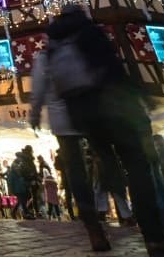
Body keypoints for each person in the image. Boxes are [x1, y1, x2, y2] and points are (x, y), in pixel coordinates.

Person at [46, 5, 164, 257]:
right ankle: (154, 237)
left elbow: (57, 87)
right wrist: (140, 95)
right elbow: (113, 68)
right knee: (139, 169)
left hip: (86, 118)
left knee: (107, 168)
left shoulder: (53, 45)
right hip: (114, 110)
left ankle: (103, 215)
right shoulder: (89, 32)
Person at [31, 49, 109, 249]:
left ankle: (93, 227)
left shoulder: (45, 56)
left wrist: (35, 112)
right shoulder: (75, 48)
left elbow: (38, 88)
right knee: (101, 165)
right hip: (88, 116)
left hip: (63, 122)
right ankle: (109, 214)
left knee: (77, 175)